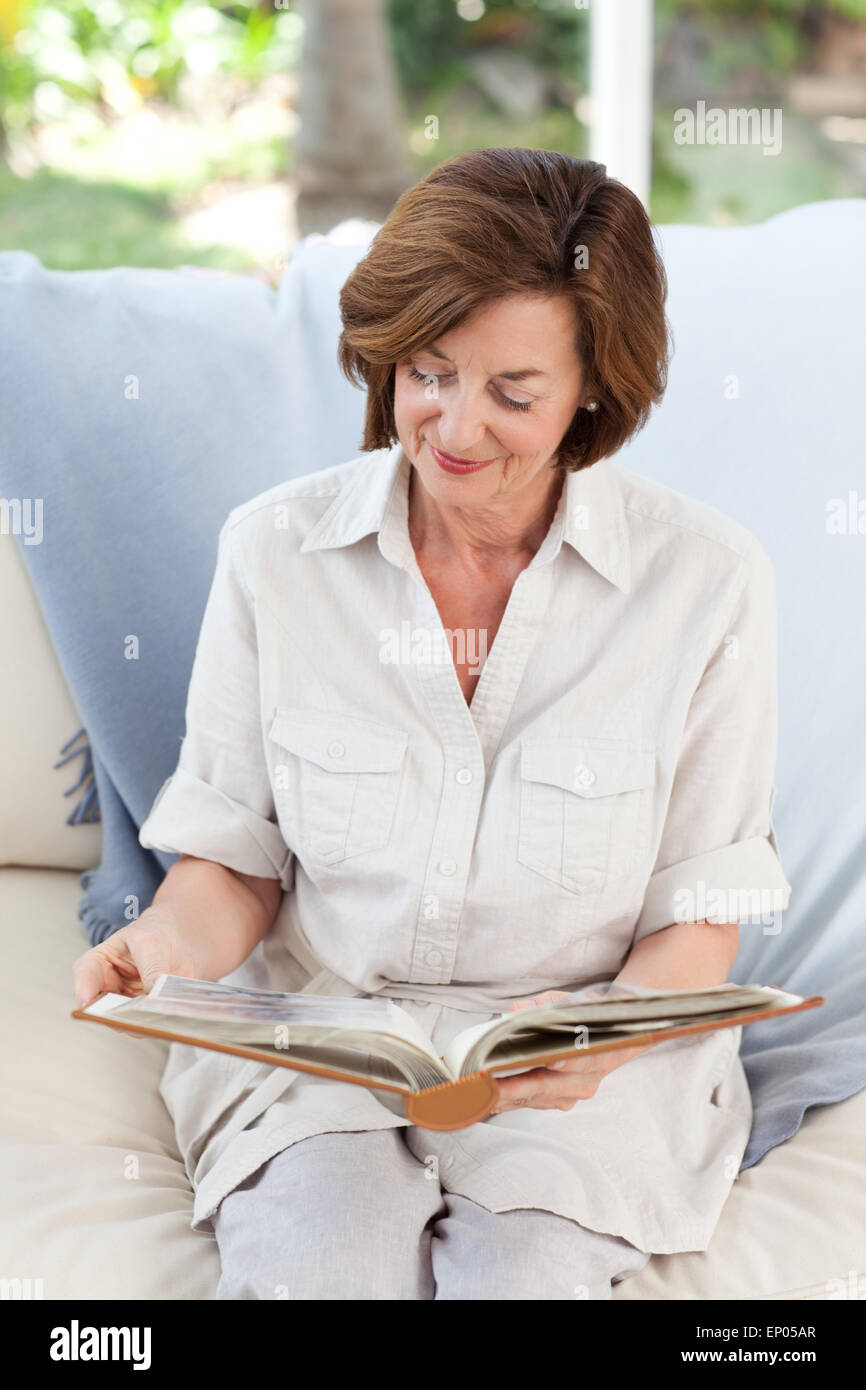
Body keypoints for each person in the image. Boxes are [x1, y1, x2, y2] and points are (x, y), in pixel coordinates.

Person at [72, 147, 791, 1300]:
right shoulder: (275, 553)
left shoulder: (704, 584)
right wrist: (164, 949)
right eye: (427, 371)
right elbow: (234, 866)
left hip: (585, 1078)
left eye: (513, 392)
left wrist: (598, 1035)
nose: (455, 426)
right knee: (324, 1273)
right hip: (325, 1041)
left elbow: (697, 914)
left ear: (594, 389)